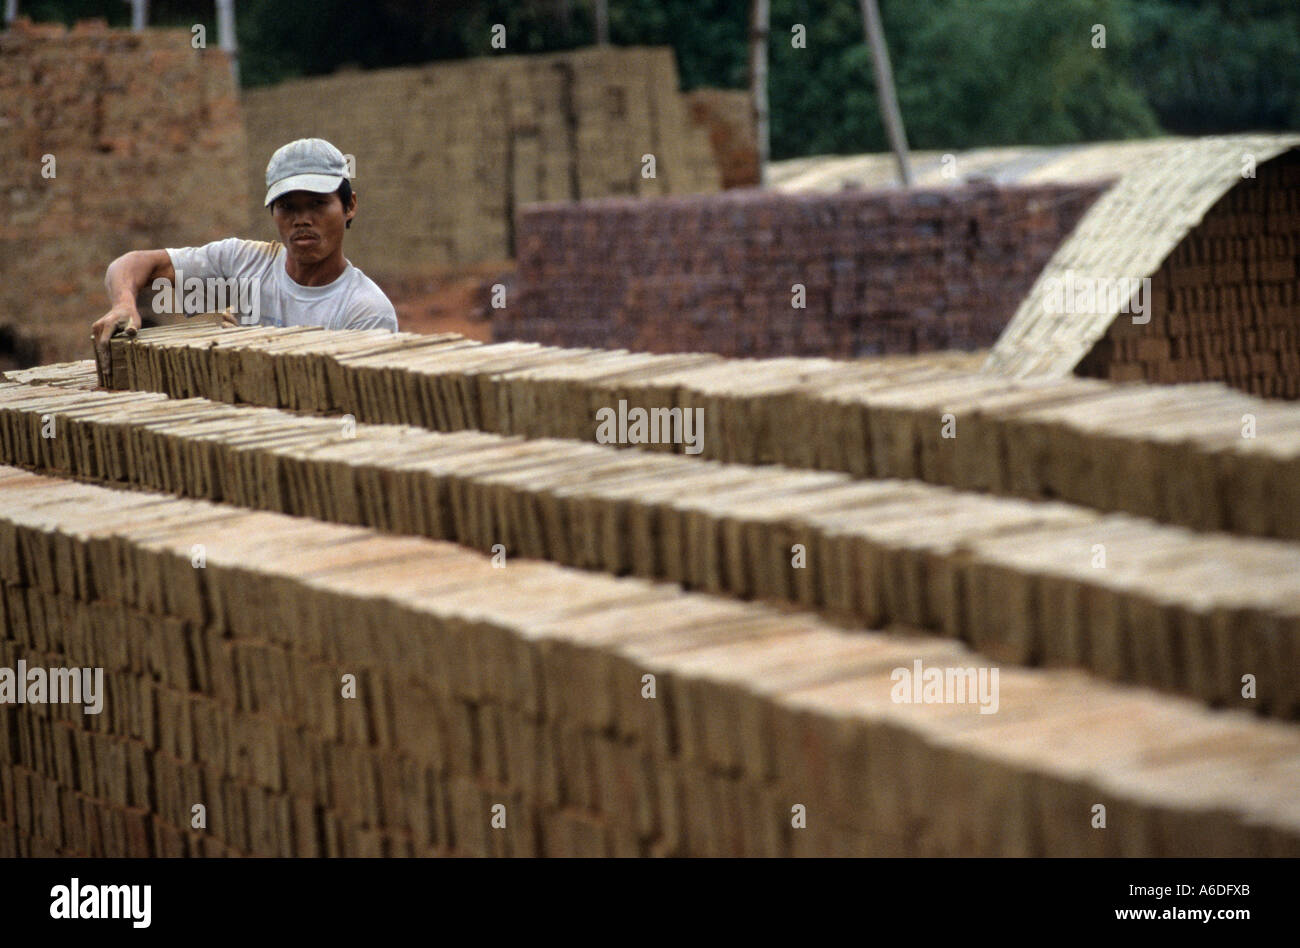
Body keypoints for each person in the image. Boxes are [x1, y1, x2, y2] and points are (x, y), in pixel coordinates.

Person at [92, 137, 398, 362]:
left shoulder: (365, 311)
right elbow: (134, 264)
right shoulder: (243, 263)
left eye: (318, 204)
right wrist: (123, 303)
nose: (302, 219)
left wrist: (253, 348)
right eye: (286, 206)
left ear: (350, 206)